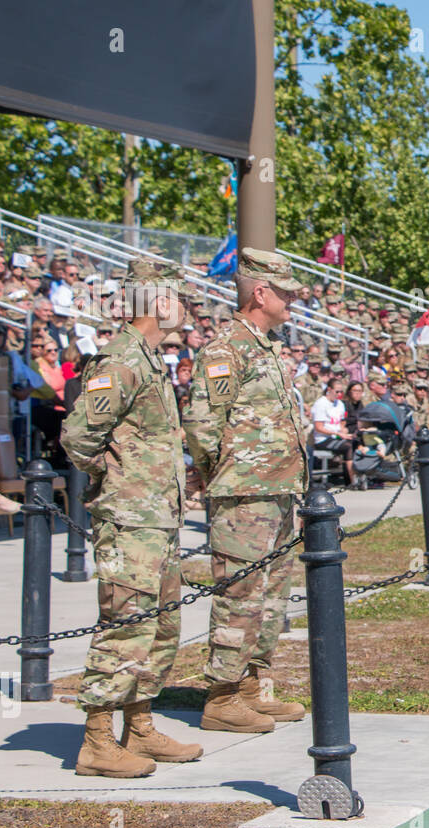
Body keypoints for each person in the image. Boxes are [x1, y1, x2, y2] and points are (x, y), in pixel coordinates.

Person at [59, 258, 201, 778]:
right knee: (126, 623)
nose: (187, 308)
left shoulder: (148, 358)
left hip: (157, 518)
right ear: (161, 303)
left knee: (160, 625)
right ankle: (97, 740)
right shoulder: (120, 360)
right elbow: (77, 438)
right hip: (130, 519)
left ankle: (137, 725)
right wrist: (117, 478)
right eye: (181, 297)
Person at [183, 248, 308, 733]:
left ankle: (253, 687)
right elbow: (201, 423)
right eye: (286, 292)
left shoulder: (262, 346)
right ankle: (221, 696)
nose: (293, 300)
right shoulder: (225, 349)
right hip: (243, 496)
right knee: (240, 593)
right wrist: (221, 472)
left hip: (275, 491)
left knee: (271, 596)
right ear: (261, 293)